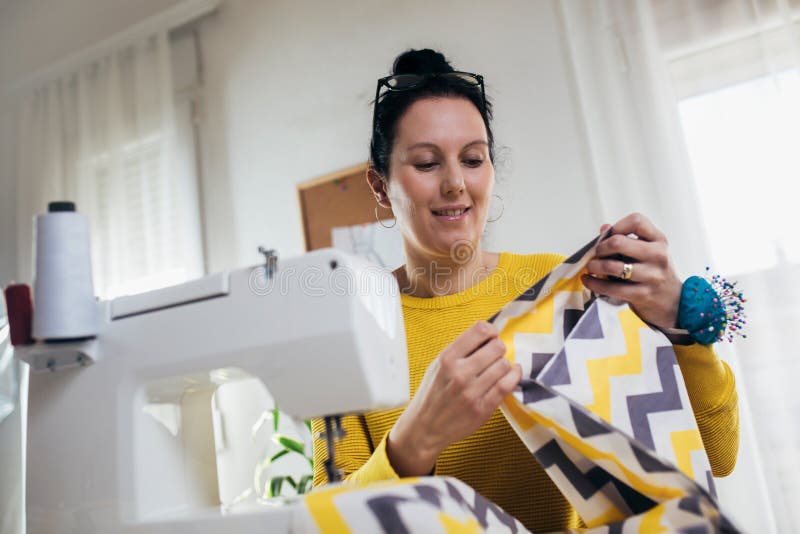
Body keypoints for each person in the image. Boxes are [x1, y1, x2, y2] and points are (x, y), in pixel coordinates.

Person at [311, 48, 739, 532]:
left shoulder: (560, 290)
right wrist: (413, 441)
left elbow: (716, 455)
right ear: (380, 184)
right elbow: (331, 521)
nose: (456, 184)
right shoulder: (344, 339)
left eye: (473, 159)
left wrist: (681, 325)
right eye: (428, 164)